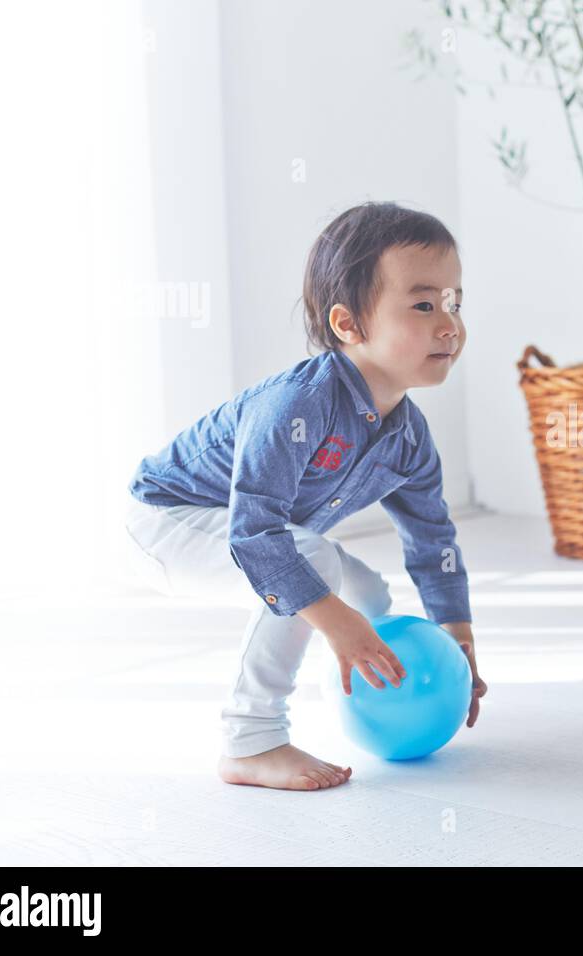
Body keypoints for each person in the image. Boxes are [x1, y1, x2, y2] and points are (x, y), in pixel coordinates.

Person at [122, 201, 486, 791]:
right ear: (348, 325)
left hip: (247, 529)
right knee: (312, 567)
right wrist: (331, 620)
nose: (450, 324)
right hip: (166, 522)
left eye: (454, 303)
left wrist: (458, 641)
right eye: (424, 304)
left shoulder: (409, 437)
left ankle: (361, 693)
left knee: (368, 594)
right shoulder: (295, 406)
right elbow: (254, 533)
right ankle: (251, 739)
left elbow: (433, 540)